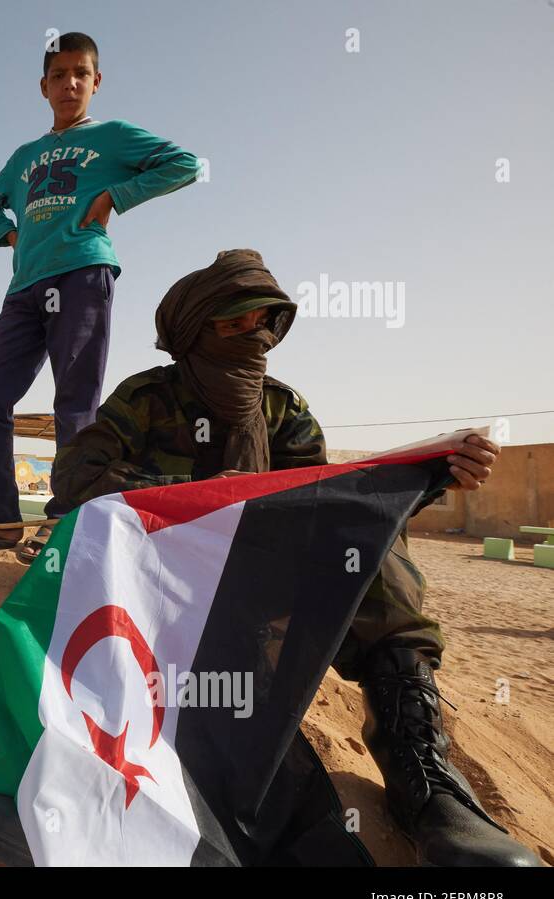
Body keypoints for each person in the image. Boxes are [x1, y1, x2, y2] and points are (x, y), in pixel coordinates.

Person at [42, 248, 538, 867]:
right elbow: (75, 477)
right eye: (235, 325)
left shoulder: (283, 409)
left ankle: (424, 777)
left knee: (367, 546)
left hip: (262, 579)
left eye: (265, 324)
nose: (254, 338)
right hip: (164, 591)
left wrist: (430, 475)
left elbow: (329, 503)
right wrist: (202, 500)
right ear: (196, 330)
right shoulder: (146, 399)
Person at [0, 31, 200, 547]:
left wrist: (116, 195)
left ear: (96, 81)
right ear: (43, 87)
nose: (69, 83)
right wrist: (10, 234)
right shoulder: (23, 155)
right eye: (58, 75)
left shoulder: (111, 136)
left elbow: (186, 165)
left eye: (80, 74)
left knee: (74, 402)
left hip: (82, 274)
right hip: (24, 288)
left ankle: (67, 524)